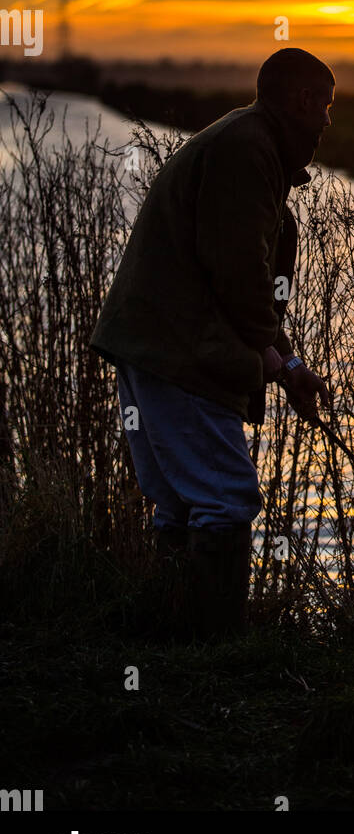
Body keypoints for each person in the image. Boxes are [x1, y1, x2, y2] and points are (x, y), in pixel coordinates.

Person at [90, 47, 334, 639]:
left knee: (178, 502)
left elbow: (243, 283)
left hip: (153, 348)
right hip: (181, 355)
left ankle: (169, 641)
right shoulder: (247, 151)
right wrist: (281, 365)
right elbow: (240, 279)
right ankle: (218, 654)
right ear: (301, 101)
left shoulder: (246, 144)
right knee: (225, 500)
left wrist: (287, 362)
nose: (328, 123)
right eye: (326, 108)